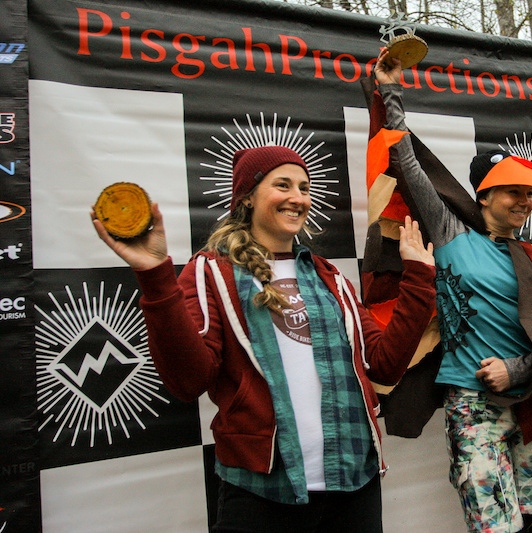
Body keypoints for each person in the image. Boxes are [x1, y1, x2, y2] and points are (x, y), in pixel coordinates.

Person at [91, 145, 436, 533]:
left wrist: (420, 281)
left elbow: (385, 365)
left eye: (304, 188)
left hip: (355, 484)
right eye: (283, 185)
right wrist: (155, 275)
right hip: (261, 491)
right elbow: (188, 381)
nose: (297, 198)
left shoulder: (331, 279)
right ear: (247, 197)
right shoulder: (211, 273)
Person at [372, 49, 532, 533]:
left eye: (530, 194)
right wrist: (390, 91)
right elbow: (406, 162)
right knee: (493, 527)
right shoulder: (451, 235)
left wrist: (517, 368)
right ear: (483, 195)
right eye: (513, 191)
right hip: (471, 403)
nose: (525, 201)